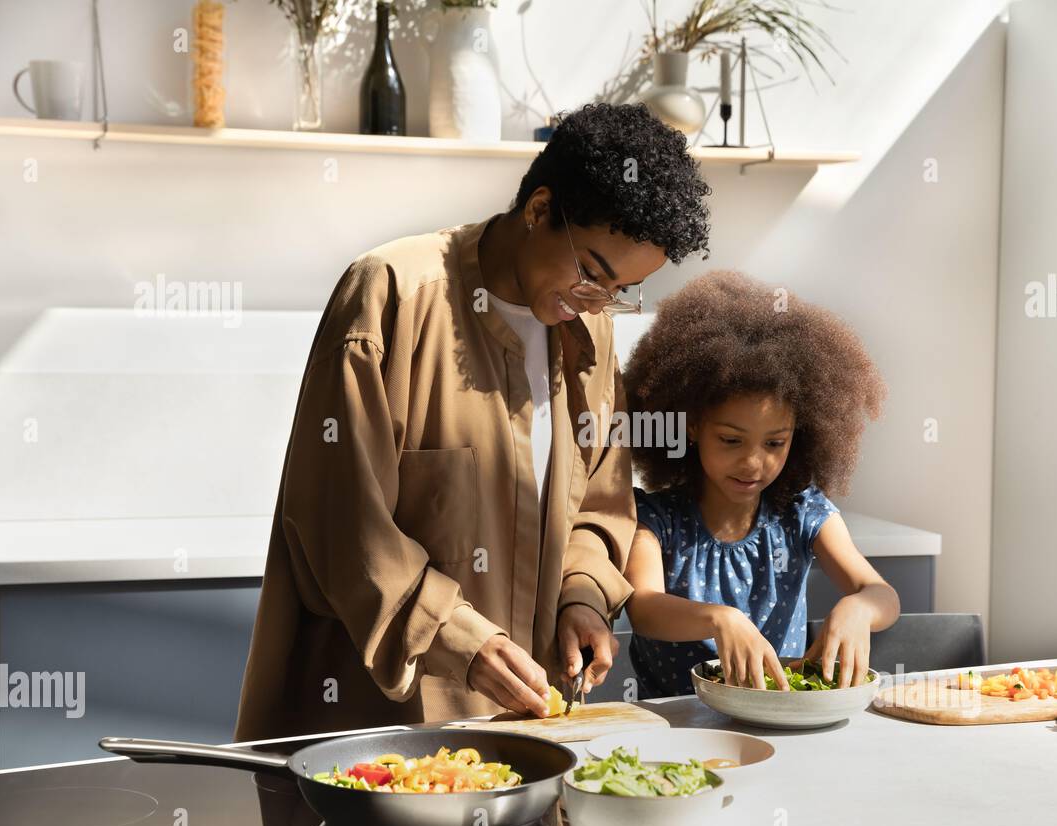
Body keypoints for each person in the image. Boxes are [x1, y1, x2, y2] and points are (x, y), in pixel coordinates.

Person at [233, 103, 711, 742]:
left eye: (621, 290)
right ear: (539, 210)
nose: (599, 302)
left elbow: (600, 499)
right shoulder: (392, 295)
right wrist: (459, 639)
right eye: (594, 273)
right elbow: (341, 524)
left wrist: (582, 596)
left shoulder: (585, 331)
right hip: (380, 739)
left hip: (526, 735)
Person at [621, 270, 899, 696]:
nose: (753, 462)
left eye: (775, 442)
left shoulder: (803, 512)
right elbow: (644, 608)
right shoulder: (655, 520)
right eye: (731, 440)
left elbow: (881, 593)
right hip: (674, 728)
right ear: (692, 426)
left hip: (780, 719)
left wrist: (859, 607)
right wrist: (720, 618)